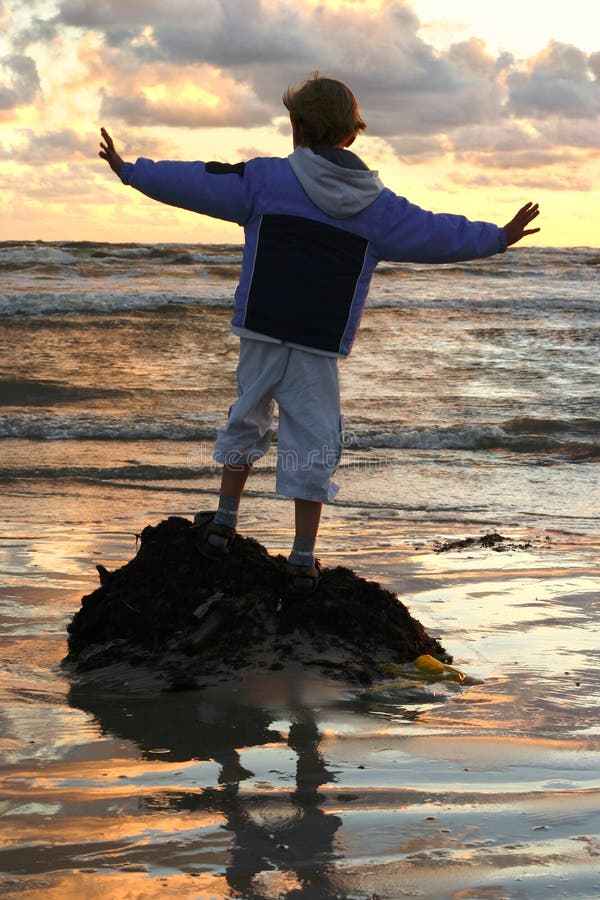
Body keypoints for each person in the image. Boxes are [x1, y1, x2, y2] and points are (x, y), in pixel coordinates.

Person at [99, 72, 540, 594]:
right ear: (350, 135)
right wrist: (496, 238)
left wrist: (134, 171)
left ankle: (223, 522)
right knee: (313, 441)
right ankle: (303, 558)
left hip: (262, 329)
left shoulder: (266, 180)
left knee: (246, 417)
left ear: (298, 128)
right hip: (318, 343)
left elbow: (199, 181)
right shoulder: (379, 207)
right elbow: (435, 233)